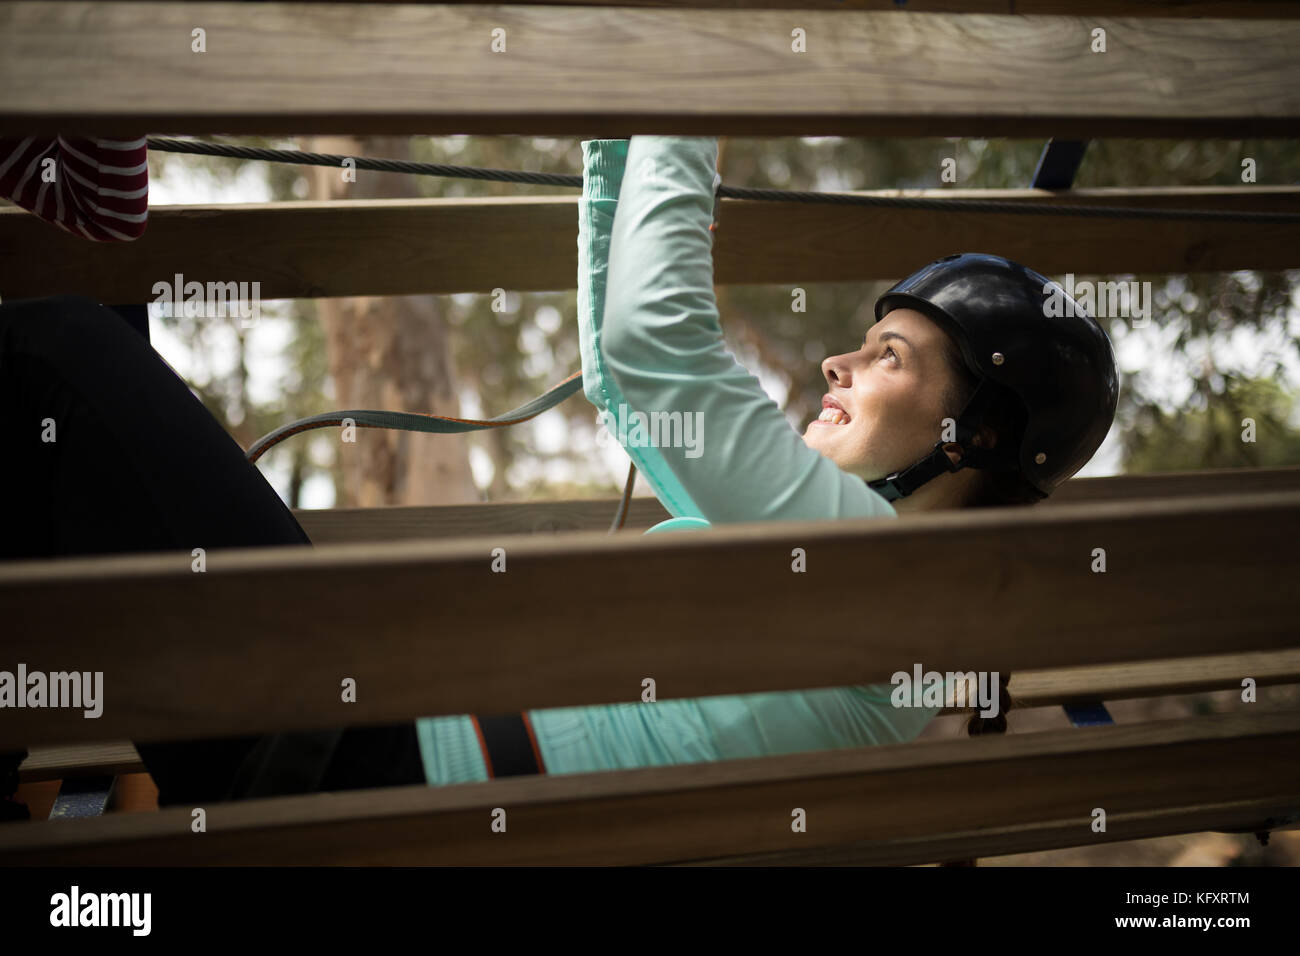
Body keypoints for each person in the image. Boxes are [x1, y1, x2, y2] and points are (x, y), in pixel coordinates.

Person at [413, 136, 1120, 783]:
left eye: (889, 358)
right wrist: (623, 147)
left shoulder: (888, 577)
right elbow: (624, 380)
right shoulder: (843, 566)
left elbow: (655, 351)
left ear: (980, 435)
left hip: (415, 761)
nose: (836, 363)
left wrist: (681, 117)